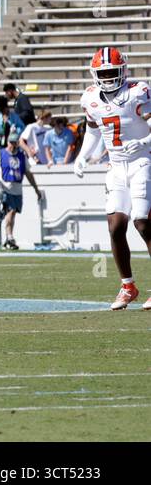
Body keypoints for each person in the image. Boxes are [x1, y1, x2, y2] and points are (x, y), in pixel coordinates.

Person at [74, 47, 151, 310]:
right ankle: (128, 286)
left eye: (111, 72)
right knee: (116, 226)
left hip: (143, 161)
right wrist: (82, 156)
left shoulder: (137, 91)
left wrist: (143, 141)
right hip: (116, 165)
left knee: (143, 223)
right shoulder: (90, 97)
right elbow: (93, 132)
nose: (107, 78)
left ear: (123, 71)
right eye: (103, 73)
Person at [0, 129, 43, 251]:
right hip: (4, 188)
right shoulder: (0, 154)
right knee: (10, 212)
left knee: (12, 214)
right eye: (11, 142)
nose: (13, 145)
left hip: (17, 190)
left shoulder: (22, 156)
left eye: (15, 142)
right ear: (8, 142)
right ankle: (9, 237)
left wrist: (36, 189)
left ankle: (8, 238)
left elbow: (28, 173)